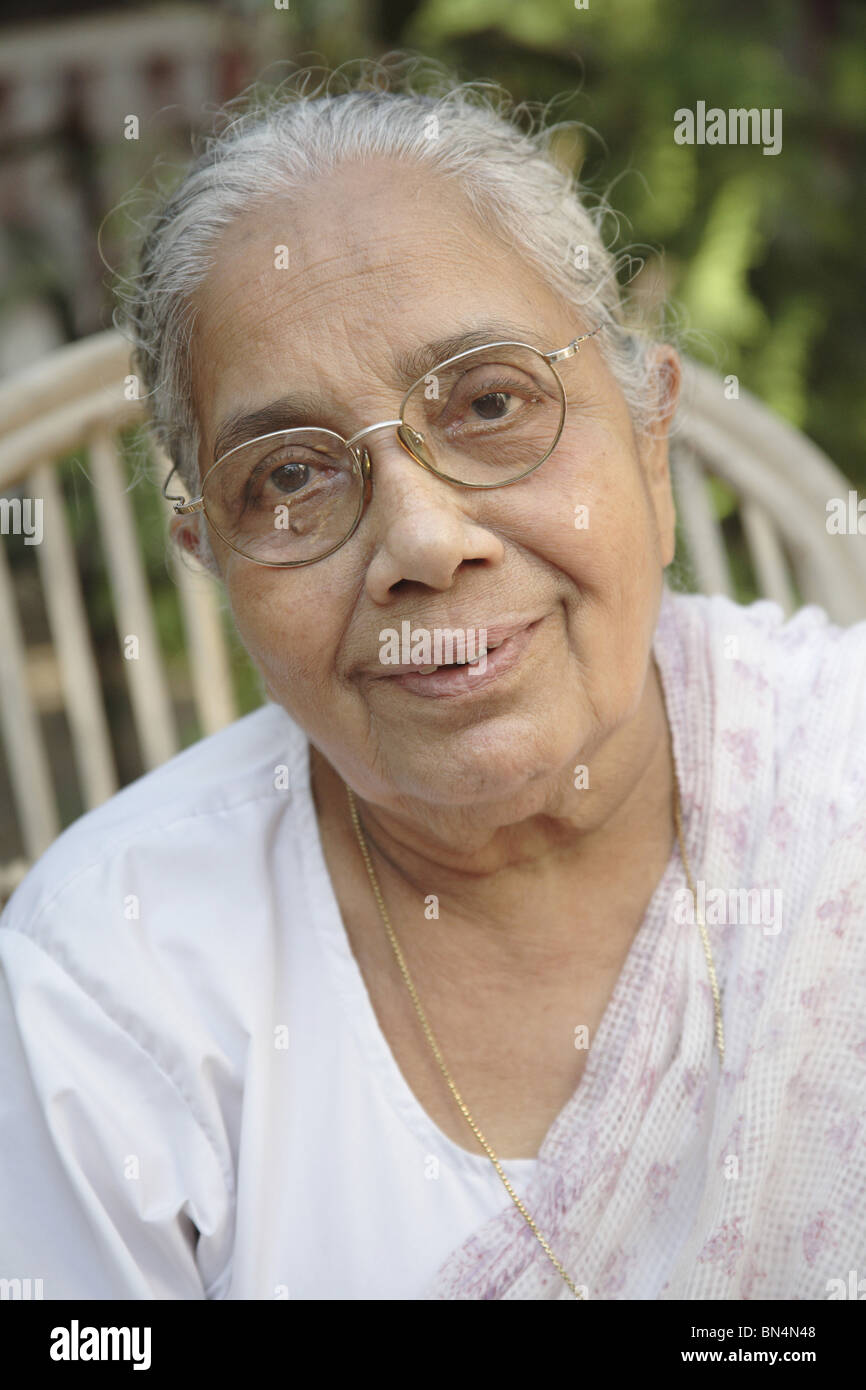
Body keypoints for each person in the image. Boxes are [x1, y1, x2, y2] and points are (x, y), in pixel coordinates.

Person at [1, 56, 864, 1301]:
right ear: (213, 560)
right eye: (289, 476)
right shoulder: (112, 985)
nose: (421, 539)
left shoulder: (837, 785)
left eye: (490, 402)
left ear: (650, 441)